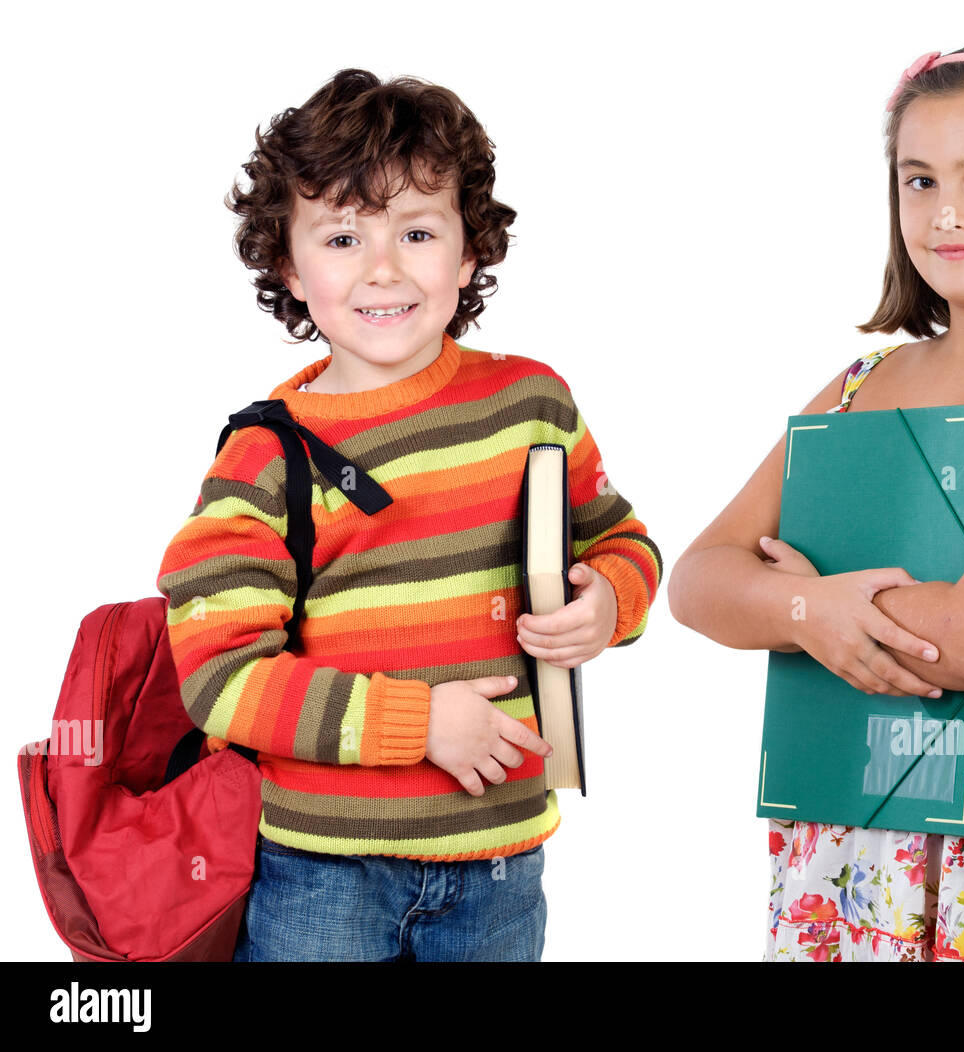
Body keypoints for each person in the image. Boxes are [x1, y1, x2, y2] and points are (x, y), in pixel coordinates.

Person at [667, 39, 964, 962]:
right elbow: (696, 581)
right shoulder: (863, 383)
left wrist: (802, 606)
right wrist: (809, 606)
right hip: (849, 856)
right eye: (919, 180)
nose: (948, 214)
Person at [156, 68, 662, 962]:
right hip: (320, 871)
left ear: (468, 253)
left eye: (418, 232)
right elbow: (220, 676)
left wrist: (607, 603)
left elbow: (618, 539)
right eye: (343, 236)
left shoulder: (529, 403)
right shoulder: (265, 455)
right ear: (288, 261)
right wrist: (418, 725)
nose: (383, 269)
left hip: (502, 863)